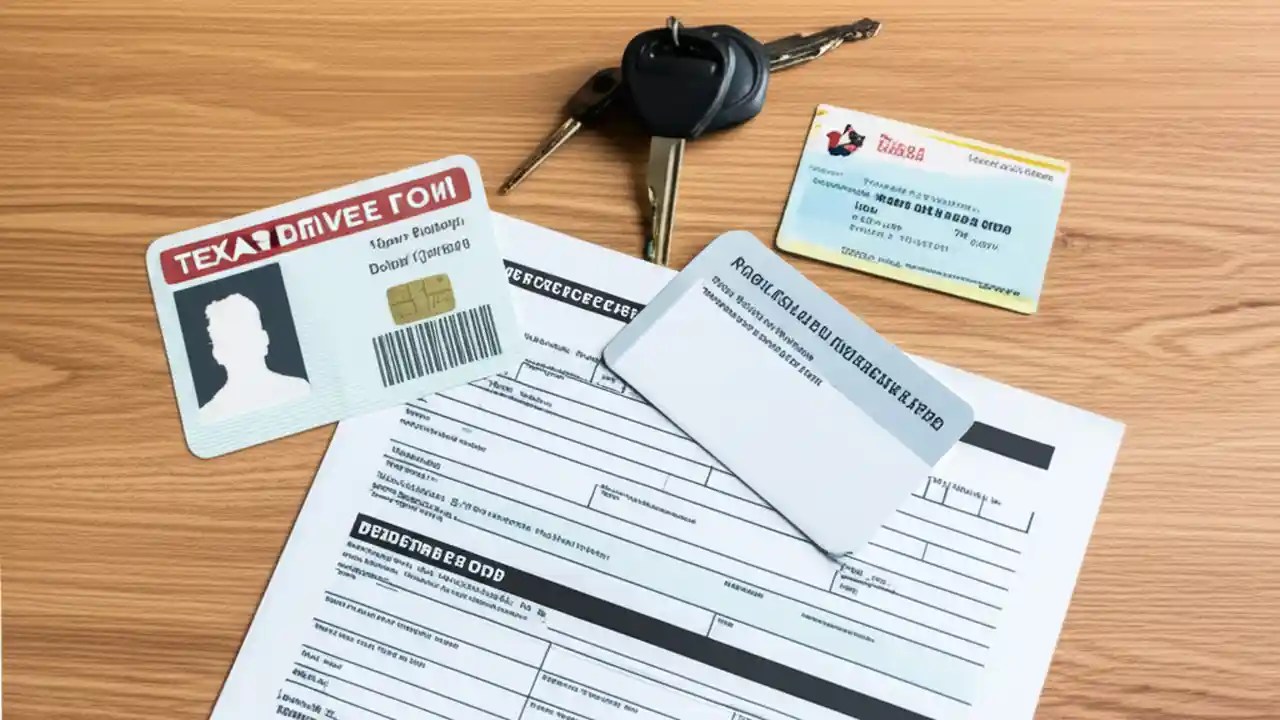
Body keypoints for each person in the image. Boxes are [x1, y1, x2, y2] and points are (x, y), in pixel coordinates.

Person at [198, 293, 309, 422]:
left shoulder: (298, 391)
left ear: (263, 339)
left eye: (244, 335)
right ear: (217, 352)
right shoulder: (210, 416)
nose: (240, 347)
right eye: (229, 340)